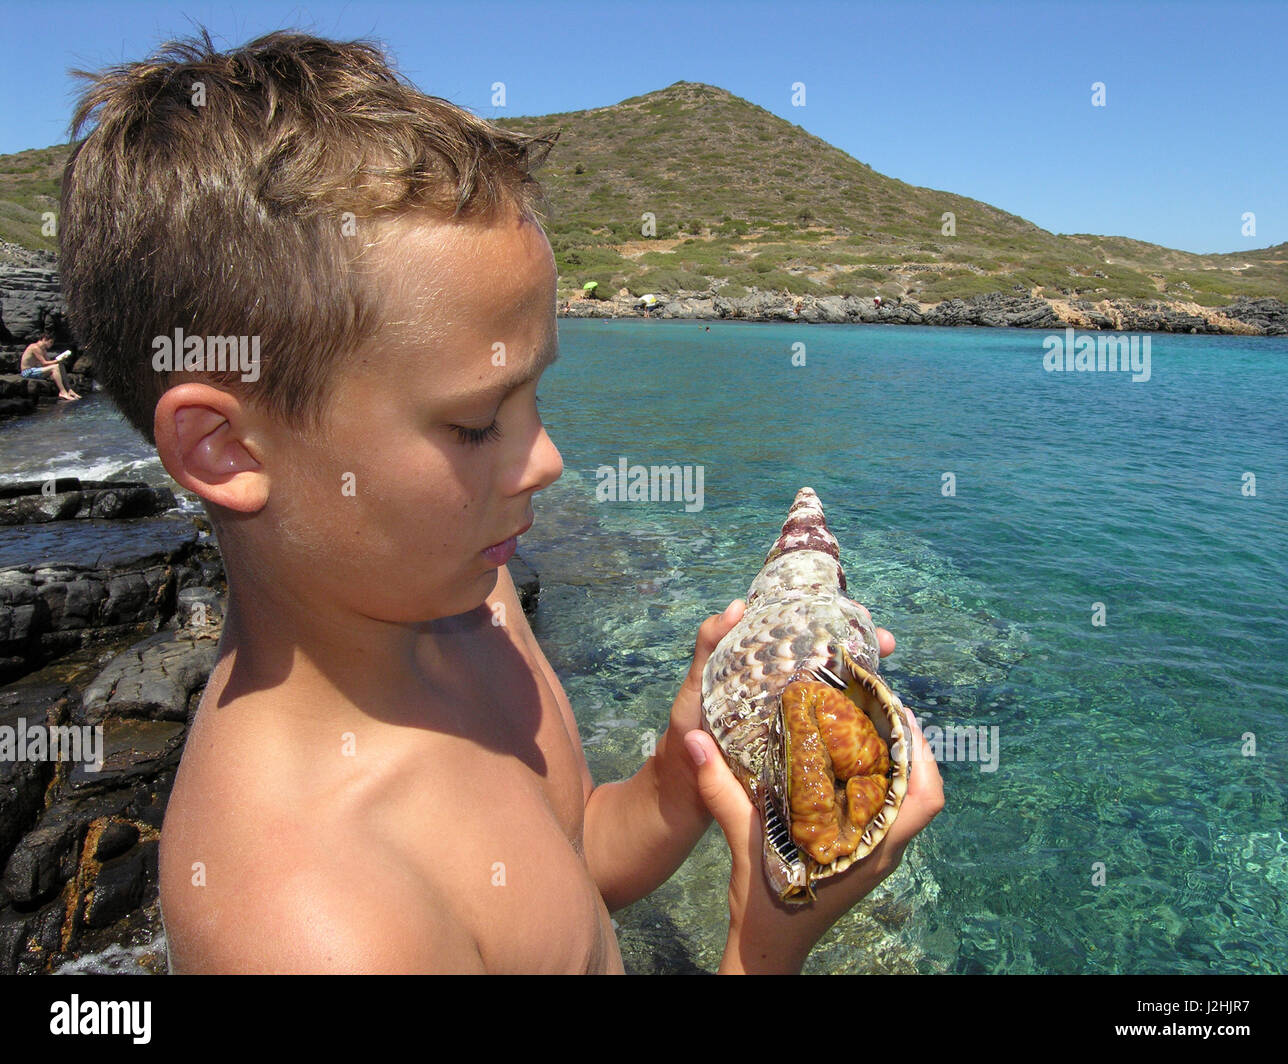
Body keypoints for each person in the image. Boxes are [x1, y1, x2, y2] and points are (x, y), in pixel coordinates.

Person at [59, 30, 942, 974]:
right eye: (479, 422)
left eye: (537, 397)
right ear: (226, 449)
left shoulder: (476, 605)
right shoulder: (312, 922)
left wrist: (685, 765)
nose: (549, 460)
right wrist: (765, 948)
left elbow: (574, 859)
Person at [19, 334, 81, 400]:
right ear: (44, 340)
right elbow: (44, 363)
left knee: (60, 366)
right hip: (27, 372)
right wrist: (57, 360)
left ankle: (69, 390)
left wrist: (60, 360)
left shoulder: (43, 350)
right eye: (50, 342)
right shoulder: (35, 347)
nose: (51, 344)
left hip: (35, 370)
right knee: (55, 367)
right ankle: (62, 392)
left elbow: (49, 363)